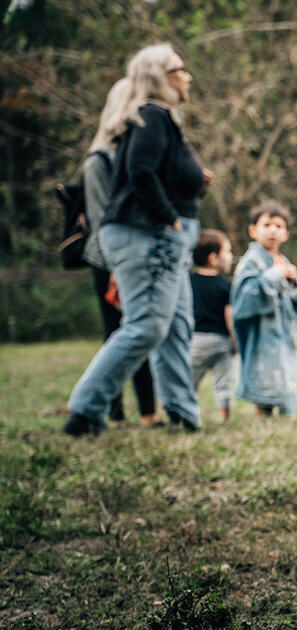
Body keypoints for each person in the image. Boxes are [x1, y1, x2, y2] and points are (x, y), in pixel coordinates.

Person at [65, 43, 209, 436]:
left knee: (178, 325)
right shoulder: (152, 114)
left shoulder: (161, 119)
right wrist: (169, 220)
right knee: (146, 326)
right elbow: (140, 171)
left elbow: (157, 173)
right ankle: (86, 410)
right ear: (159, 77)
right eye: (180, 68)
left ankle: (183, 413)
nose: (188, 76)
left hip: (162, 237)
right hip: (147, 236)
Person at [81, 77, 160, 428]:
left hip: (140, 253)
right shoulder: (98, 162)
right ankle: (109, 410)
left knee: (142, 332)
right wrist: (116, 266)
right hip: (108, 258)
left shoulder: (137, 153)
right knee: (119, 332)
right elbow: (101, 222)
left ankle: (148, 412)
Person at [232, 201, 297, 418]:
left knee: (283, 374)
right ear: (253, 230)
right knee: (264, 375)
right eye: (266, 225)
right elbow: (244, 298)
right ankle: (263, 413)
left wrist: (294, 283)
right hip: (261, 334)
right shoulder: (251, 262)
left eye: (278, 226)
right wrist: (275, 275)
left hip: (283, 332)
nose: (272, 230)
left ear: (286, 233)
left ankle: (285, 414)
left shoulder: (283, 261)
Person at [190, 229, 236, 423]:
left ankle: (187, 414)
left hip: (194, 342)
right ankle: (224, 416)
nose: (231, 257)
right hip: (219, 342)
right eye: (228, 252)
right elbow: (229, 317)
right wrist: (234, 341)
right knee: (223, 383)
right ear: (213, 258)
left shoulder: (187, 282)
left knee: (189, 383)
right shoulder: (226, 285)